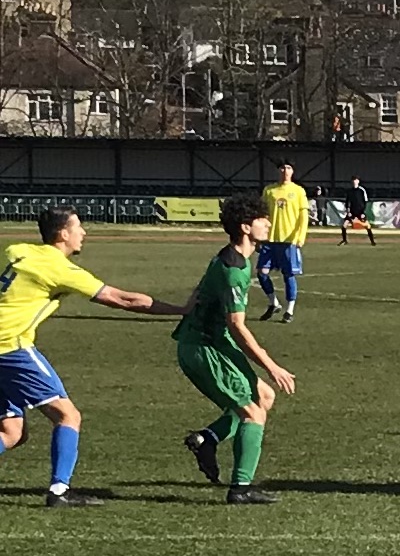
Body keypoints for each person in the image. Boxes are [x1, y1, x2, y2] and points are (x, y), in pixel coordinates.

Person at [0, 208, 185, 508]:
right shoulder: (60, 269)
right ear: (62, 234)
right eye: (78, 226)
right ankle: (59, 491)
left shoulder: (19, 251)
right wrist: (181, 310)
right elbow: (123, 299)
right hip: (9, 347)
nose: (83, 232)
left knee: (11, 431)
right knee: (68, 416)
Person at [177, 194, 298, 505]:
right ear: (246, 227)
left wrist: (190, 306)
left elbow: (200, 291)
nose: (268, 222)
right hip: (205, 349)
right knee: (253, 412)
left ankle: (207, 439)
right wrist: (272, 366)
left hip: (214, 341)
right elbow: (237, 326)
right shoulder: (233, 268)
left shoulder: (232, 258)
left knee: (264, 396)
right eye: (262, 219)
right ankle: (240, 489)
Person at [256, 161, 309, 323]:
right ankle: (274, 303)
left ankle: (290, 310)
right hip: (269, 240)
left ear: (292, 171)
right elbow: (262, 213)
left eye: (288, 168)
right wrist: (259, 236)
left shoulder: (298, 191)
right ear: (278, 170)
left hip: (288, 241)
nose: (285, 170)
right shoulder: (269, 190)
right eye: (282, 167)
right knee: (262, 273)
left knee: (288, 275)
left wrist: (300, 237)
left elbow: (303, 217)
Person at [337, 177, 376, 247]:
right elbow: (347, 202)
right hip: (352, 212)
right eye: (353, 181)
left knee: (368, 226)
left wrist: (363, 212)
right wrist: (348, 211)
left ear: (358, 181)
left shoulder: (362, 190)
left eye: (356, 180)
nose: (354, 182)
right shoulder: (349, 191)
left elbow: (365, 202)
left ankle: (372, 241)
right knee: (344, 226)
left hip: (360, 212)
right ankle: (344, 240)